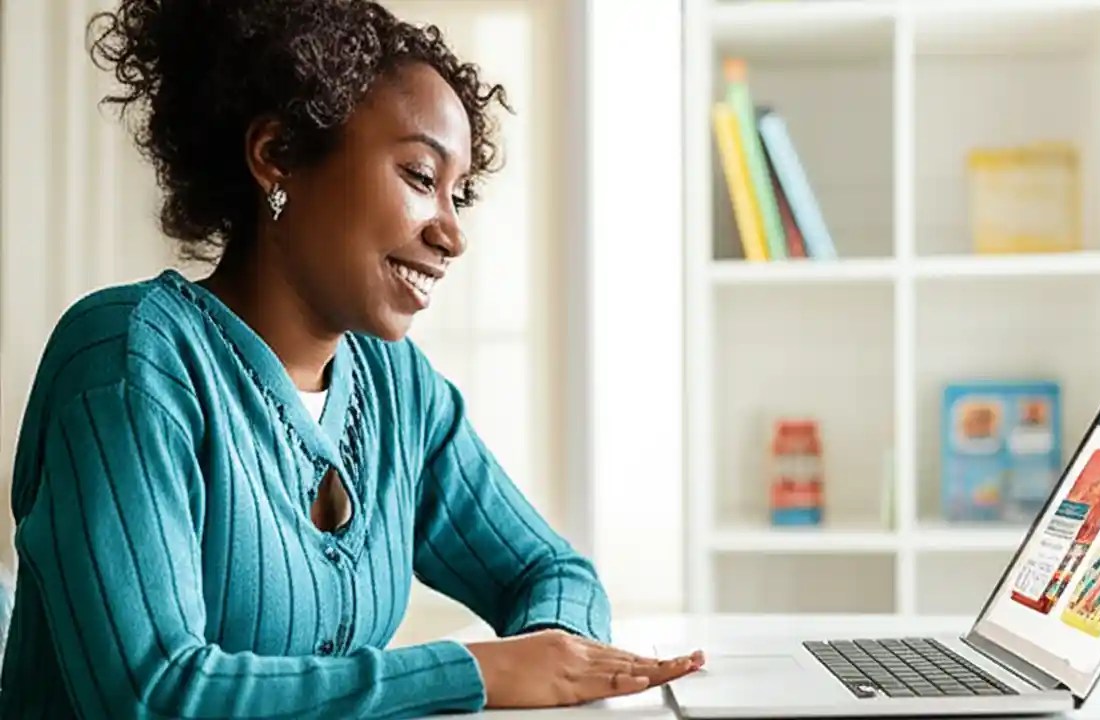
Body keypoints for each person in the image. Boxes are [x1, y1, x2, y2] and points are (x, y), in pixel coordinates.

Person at [0, 1, 703, 717]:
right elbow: (148, 696)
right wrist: (473, 672)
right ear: (276, 156)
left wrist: (557, 655)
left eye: (460, 194)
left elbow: (548, 570)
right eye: (421, 177)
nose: (453, 234)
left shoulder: (398, 389)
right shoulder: (129, 359)